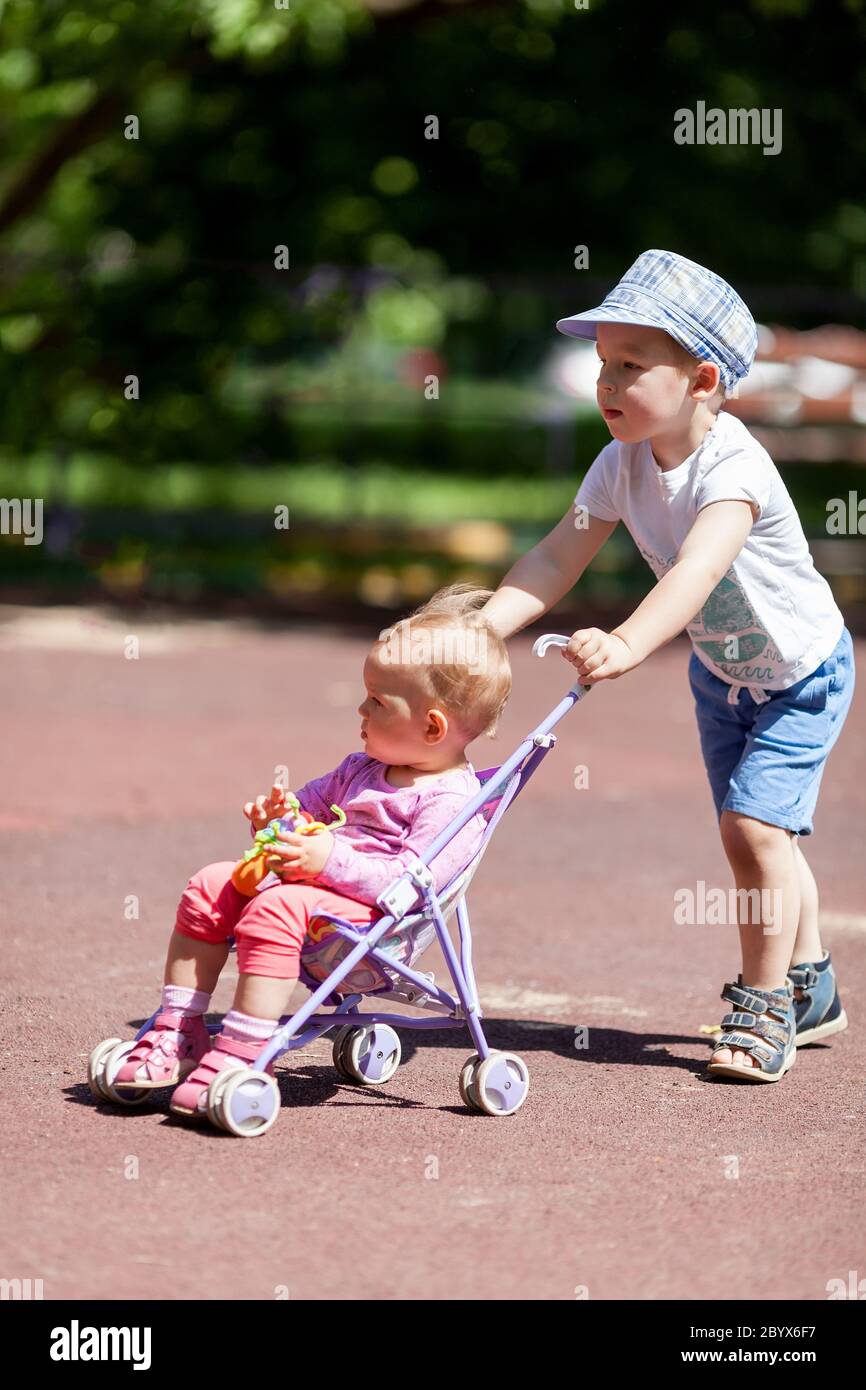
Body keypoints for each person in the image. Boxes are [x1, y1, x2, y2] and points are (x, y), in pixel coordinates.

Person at [482, 249, 855, 1083]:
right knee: (764, 838)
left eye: (631, 365)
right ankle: (814, 988)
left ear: (703, 380)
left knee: (753, 831)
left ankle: (764, 1011)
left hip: (802, 673)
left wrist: (625, 642)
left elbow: (695, 571)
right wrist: (488, 625)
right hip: (723, 677)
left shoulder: (734, 468)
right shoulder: (619, 461)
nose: (607, 383)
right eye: (602, 363)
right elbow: (557, 554)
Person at [111, 584, 510, 1116]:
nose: (360, 707)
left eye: (377, 700)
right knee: (211, 881)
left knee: (279, 905)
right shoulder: (359, 769)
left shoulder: (453, 804)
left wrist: (327, 861)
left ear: (432, 726)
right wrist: (283, 821)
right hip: (315, 902)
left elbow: (413, 882)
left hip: (374, 934)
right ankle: (179, 1029)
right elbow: (309, 806)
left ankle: (243, 1052)